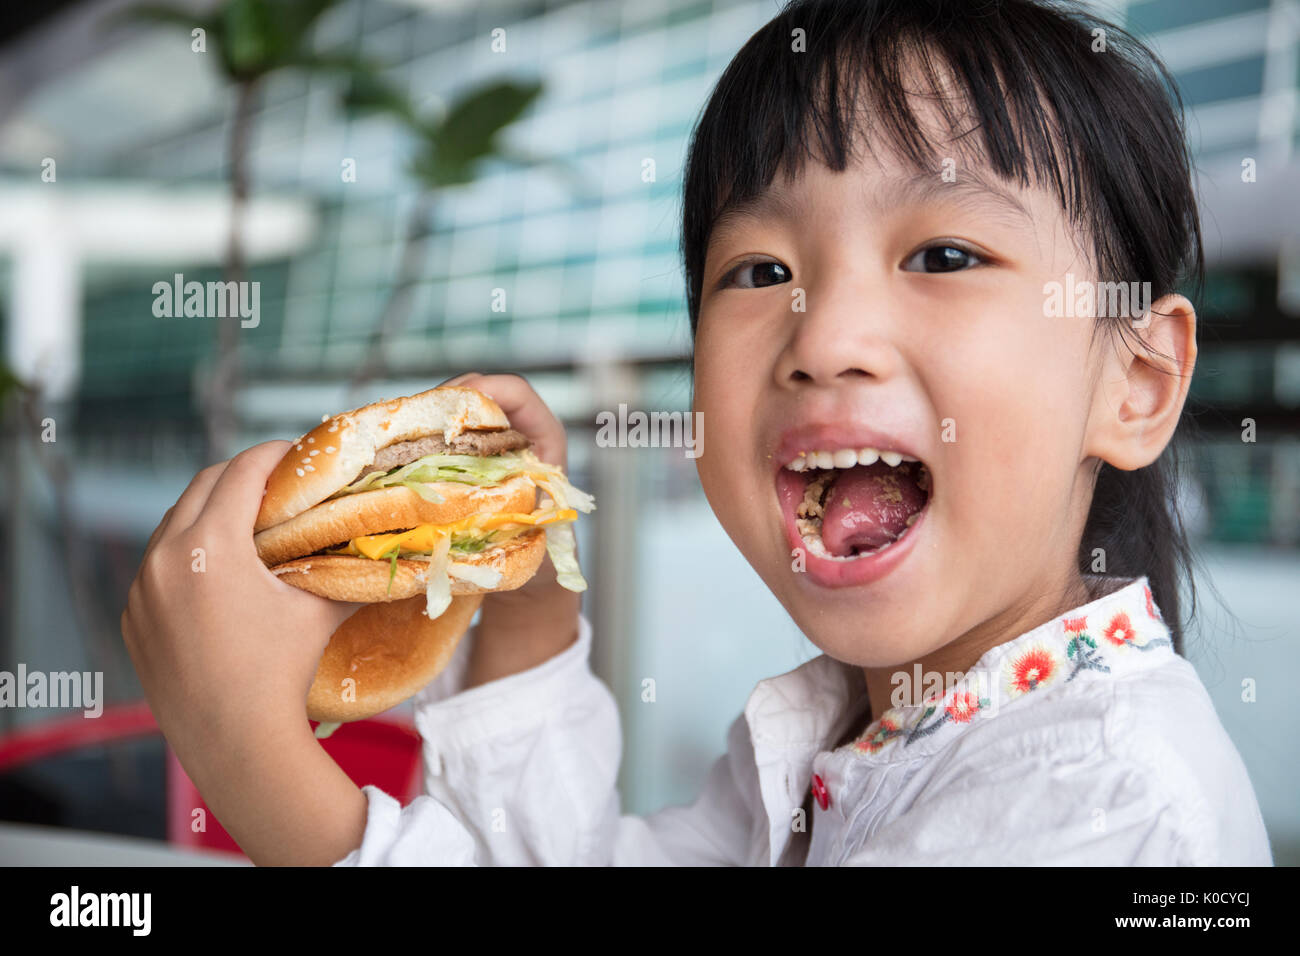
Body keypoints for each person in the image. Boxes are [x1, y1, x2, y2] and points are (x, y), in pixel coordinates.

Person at [121, 0, 1273, 865]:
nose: (825, 337)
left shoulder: (1105, 806)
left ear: (1135, 382)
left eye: (942, 254)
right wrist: (529, 593)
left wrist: (253, 762)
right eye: (760, 269)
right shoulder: (859, 726)